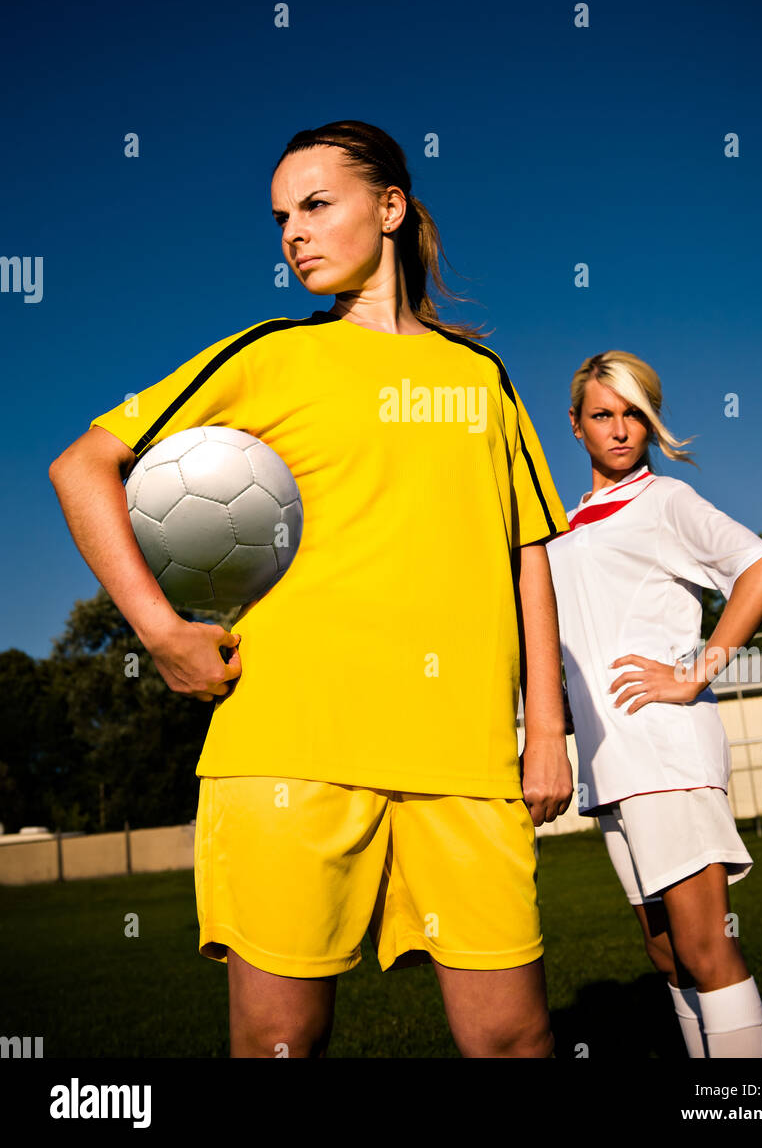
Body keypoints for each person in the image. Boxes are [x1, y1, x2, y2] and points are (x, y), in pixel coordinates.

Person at [48, 119, 574, 1059]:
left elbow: (528, 555)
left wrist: (549, 732)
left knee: (513, 1038)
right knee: (280, 1038)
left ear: (391, 208)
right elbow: (84, 465)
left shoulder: (481, 379)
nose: (292, 232)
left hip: (464, 758)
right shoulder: (265, 356)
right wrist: (161, 630)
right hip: (288, 744)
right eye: (282, 215)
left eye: (317, 204)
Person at [545, 350, 762, 1059]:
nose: (619, 430)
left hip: (665, 750)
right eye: (603, 415)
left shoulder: (666, 502)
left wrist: (694, 671)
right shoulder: (567, 522)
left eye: (634, 415)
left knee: (706, 947)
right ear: (576, 424)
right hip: (610, 765)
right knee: (667, 955)